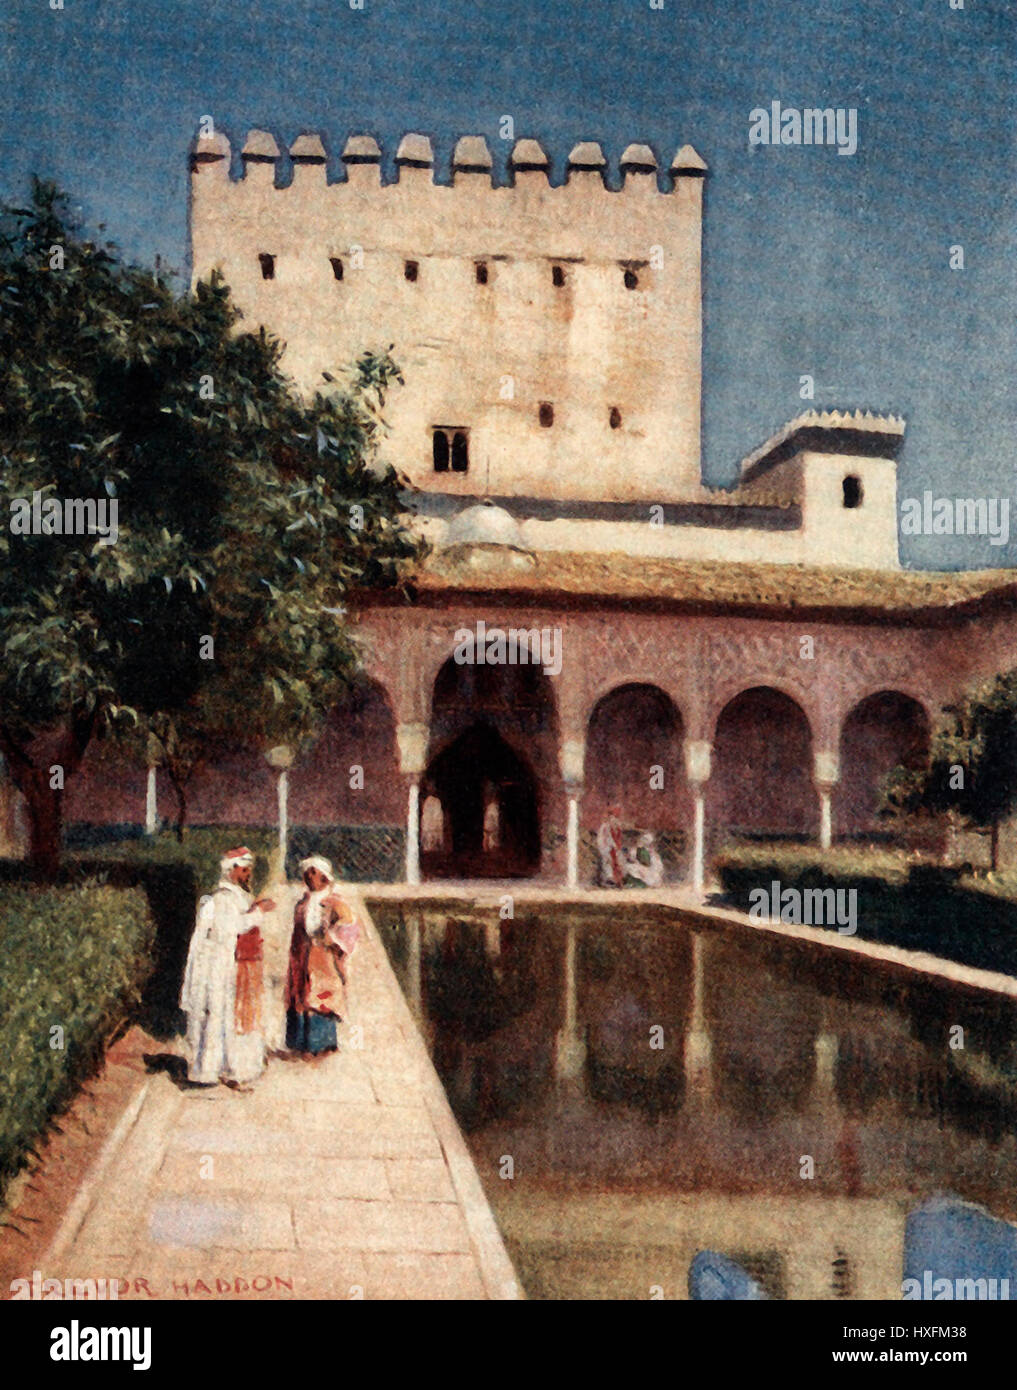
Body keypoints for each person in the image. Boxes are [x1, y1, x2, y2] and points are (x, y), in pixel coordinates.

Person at [179, 846, 275, 1087]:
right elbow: (230, 929)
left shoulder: (235, 896)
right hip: (220, 966)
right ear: (231, 871)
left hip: (233, 962)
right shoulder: (223, 898)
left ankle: (233, 1066)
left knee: (230, 1018)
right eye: (243, 870)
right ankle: (212, 1070)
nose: (247, 875)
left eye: (248, 870)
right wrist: (259, 912)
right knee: (220, 1016)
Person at [285, 855, 361, 1056]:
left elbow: (350, 925)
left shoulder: (334, 902)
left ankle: (323, 1043)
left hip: (323, 958)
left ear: (324, 877)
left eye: (313, 873)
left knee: (321, 996)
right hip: (302, 954)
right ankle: (300, 1042)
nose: (309, 877)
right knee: (300, 994)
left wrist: (332, 937)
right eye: (307, 873)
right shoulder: (304, 901)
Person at [596, 806, 624, 887]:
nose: (614, 819)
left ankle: (618, 880)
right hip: (607, 848)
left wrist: (617, 846)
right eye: (613, 817)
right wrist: (608, 847)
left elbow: (617, 838)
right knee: (609, 862)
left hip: (614, 848)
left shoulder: (617, 826)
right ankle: (610, 880)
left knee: (619, 862)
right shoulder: (605, 827)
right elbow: (603, 839)